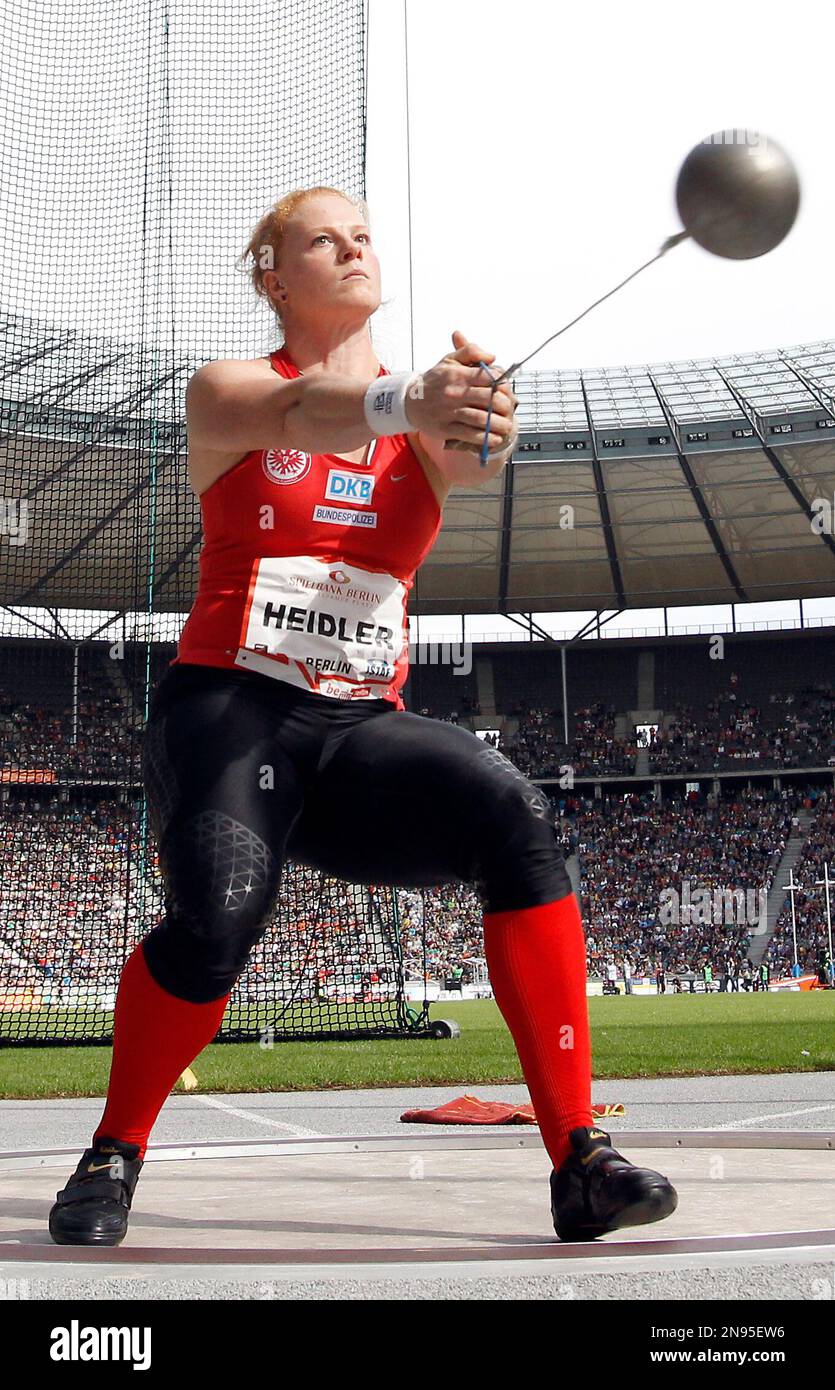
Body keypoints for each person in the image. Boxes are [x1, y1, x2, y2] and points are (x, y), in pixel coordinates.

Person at [48, 185, 676, 1248]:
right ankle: (115, 1147)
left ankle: (580, 1158)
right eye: (322, 241)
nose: (351, 250)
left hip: (357, 733)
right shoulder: (231, 391)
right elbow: (307, 414)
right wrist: (415, 403)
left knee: (514, 818)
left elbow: (474, 459)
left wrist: (484, 420)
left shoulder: (418, 418)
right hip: (229, 709)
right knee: (218, 918)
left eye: (364, 238)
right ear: (273, 278)